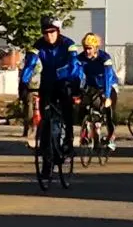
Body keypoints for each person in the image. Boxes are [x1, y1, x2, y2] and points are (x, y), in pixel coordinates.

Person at [19, 16, 83, 160]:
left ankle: (68, 140)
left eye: (52, 32)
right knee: (45, 115)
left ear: (58, 31)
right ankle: (45, 146)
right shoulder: (38, 45)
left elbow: (74, 64)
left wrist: (74, 84)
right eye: (45, 33)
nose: (49, 36)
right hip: (47, 82)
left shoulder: (68, 44)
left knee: (66, 110)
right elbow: (30, 64)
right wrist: (23, 83)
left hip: (65, 81)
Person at [78, 32, 119, 150]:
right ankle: (87, 130)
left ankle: (111, 137)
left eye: (89, 49)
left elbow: (108, 77)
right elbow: (78, 75)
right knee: (82, 106)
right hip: (91, 86)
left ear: (96, 48)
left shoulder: (104, 58)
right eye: (85, 48)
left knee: (108, 110)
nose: (87, 51)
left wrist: (107, 96)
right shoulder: (80, 58)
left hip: (108, 85)